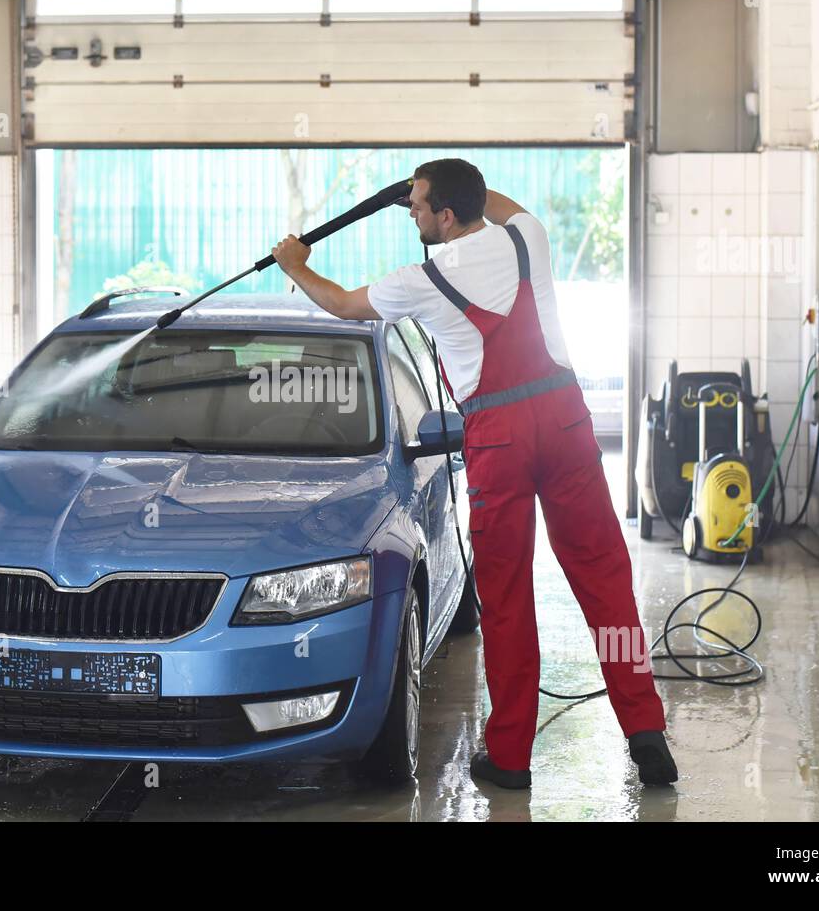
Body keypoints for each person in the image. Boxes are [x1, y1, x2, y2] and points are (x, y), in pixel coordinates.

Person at [271, 158, 678, 789]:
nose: (411, 214)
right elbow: (498, 204)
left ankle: (511, 757)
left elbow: (345, 306)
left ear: (446, 216)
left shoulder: (421, 280)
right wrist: (438, 185)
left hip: (500, 439)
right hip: (567, 424)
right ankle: (646, 729)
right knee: (606, 579)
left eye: (418, 206)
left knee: (508, 597)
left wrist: (295, 264)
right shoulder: (527, 237)